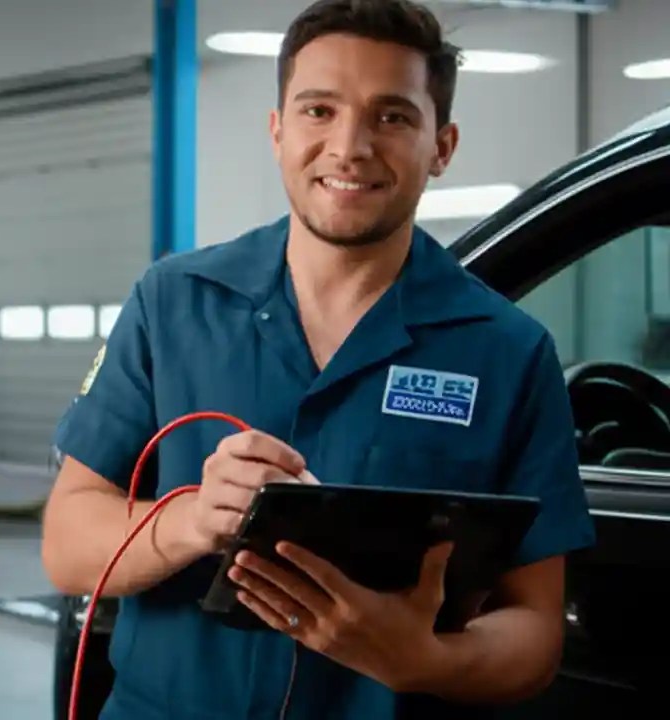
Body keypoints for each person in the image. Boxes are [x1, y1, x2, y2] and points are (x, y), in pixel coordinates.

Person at [41, 1, 595, 718]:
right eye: (318, 110)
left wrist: (428, 659)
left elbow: (535, 629)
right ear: (277, 131)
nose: (350, 146)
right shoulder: (173, 303)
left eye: (392, 116)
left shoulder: (508, 351)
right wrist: (191, 520)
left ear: (443, 146)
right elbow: (67, 540)